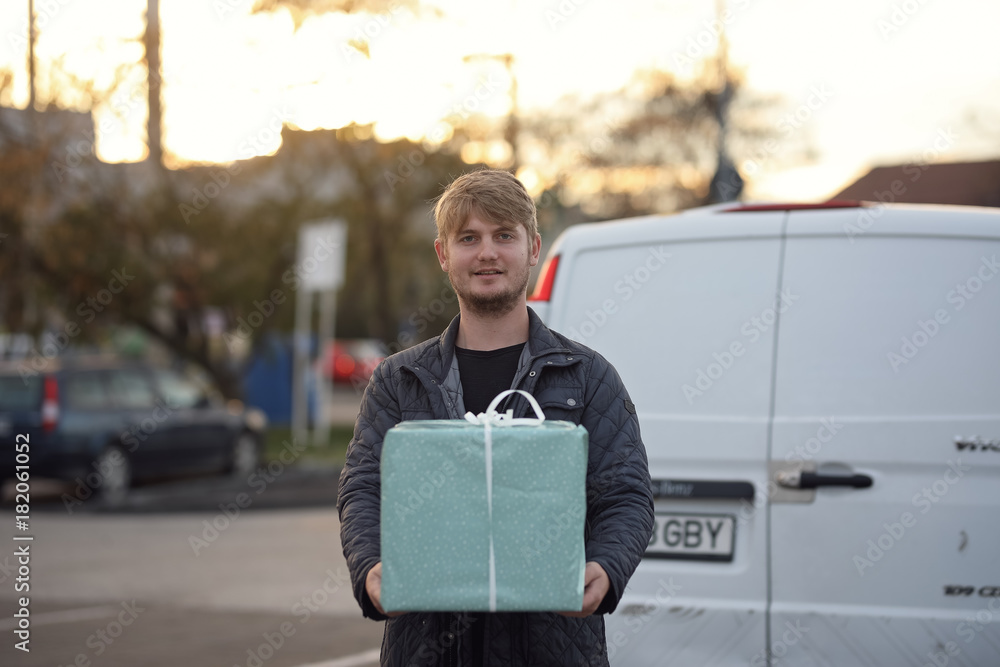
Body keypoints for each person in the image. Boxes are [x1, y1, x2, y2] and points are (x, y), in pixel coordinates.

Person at [338, 168, 654, 666]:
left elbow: (626, 493)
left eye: (504, 235)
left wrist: (606, 566)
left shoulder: (589, 376)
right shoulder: (399, 380)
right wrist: (371, 565)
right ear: (444, 254)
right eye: (469, 238)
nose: (487, 252)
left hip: (553, 650)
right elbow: (363, 487)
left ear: (533, 248)